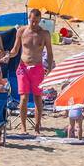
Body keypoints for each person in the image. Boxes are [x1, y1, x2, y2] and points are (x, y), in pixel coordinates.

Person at [10, 8, 54, 136]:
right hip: (23, 67)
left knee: (37, 98)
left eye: (36, 21)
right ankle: (23, 127)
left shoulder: (45, 34)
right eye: (31, 20)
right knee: (23, 98)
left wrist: (50, 68)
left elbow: (50, 53)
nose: (33, 24)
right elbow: (15, 50)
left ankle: (37, 127)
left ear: (40, 20)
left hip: (37, 68)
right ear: (28, 19)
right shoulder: (21, 31)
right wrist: (7, 55)